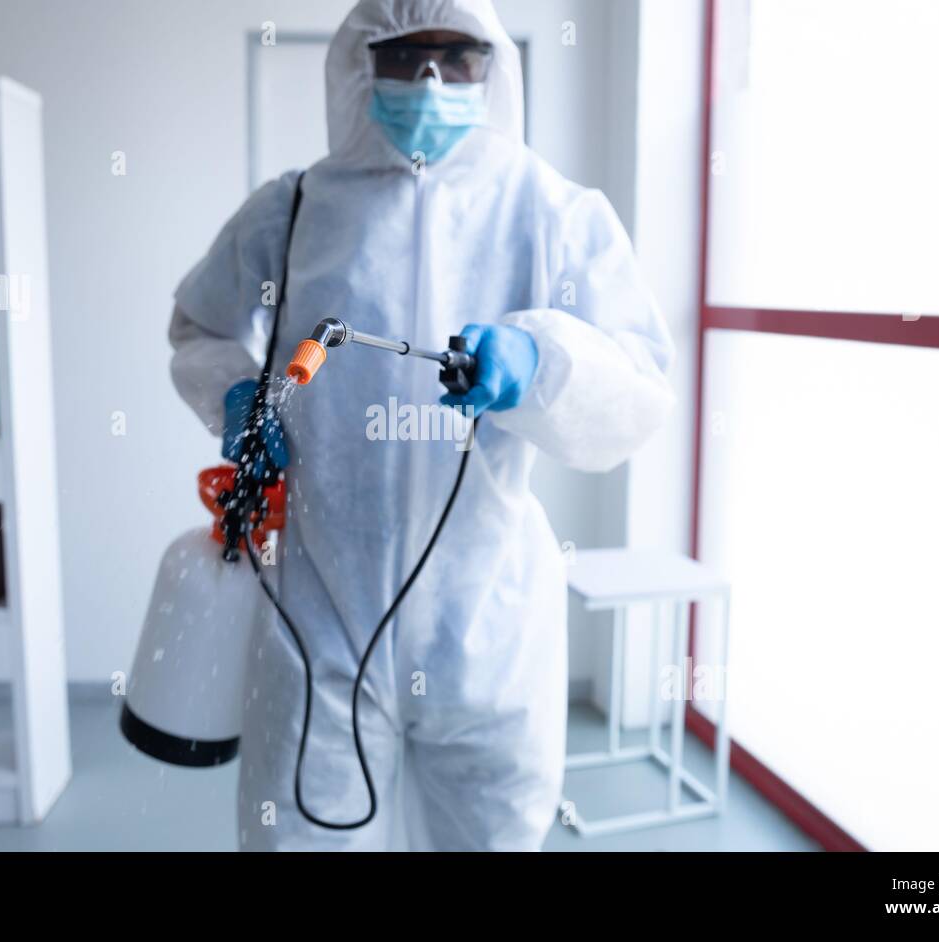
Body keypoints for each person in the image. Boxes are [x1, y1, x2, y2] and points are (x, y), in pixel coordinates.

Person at [169, 0, 674, 851]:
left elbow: (639, 382)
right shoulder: (292, 210)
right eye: (407, 58)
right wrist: (236, 395)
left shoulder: (551, 213)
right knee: (303, 833)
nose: (433, 82)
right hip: (321, 614)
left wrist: (539, 359)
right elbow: (202, 326)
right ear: (361, 64)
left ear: (493, 67)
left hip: (488, 623)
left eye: (458, 58)